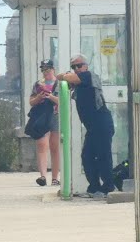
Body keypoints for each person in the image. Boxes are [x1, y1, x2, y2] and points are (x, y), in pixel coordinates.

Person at [56, 54, 115, 198]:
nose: (77, 69)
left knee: (103, 156)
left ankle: (108, 187)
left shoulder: (88, 76)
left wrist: (65, 75)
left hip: (101, 123)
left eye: (79, 65)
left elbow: (68, 78)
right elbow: (59, 77)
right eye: (73, 67)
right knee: (87, 156)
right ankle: (94, 187)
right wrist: (63, 76)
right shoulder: (79, 81)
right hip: (92, 127)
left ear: (86, 66)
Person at [25, 59, 62, 187]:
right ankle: (42, 176)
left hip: (55, 115)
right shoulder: (38, 84)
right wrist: (39, 97)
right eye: (43, 70)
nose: (45, 72)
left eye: (47, 69)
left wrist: (50, 97)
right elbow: (31, 101)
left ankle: (55, 178)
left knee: (54, 147)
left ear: (53, 69)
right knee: (41, 145)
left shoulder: (59, 83)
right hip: (41, 116)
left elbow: (63, 101)